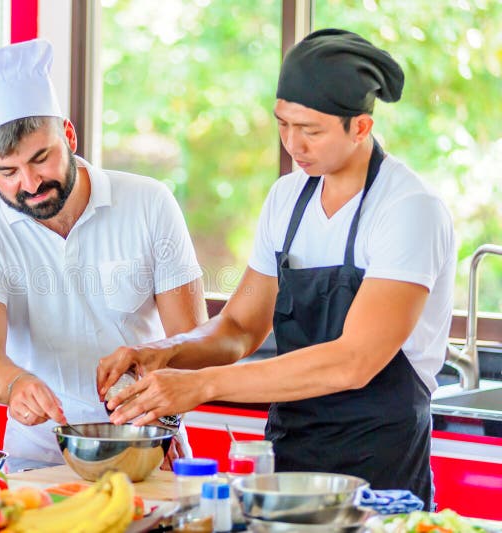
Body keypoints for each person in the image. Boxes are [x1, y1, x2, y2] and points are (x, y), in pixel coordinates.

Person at [99, 28, 455, 508]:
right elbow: (240, 326)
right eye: (283, 124)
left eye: (311, 130)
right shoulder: (287, 198)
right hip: (289, 460)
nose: (292, 144)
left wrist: (201, 384)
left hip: (380, 471)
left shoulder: (408, 210)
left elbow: (354, 361)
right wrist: (163, 352)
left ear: (361, 127)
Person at [0, 39, 207, 466]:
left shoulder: (149, 203)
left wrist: (165, 416)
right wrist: (13, 384)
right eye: (7, 172)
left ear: (69, 135)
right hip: (37, 458)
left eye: (41, 159)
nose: (29, 183)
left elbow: (192, 339)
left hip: (147, 444)